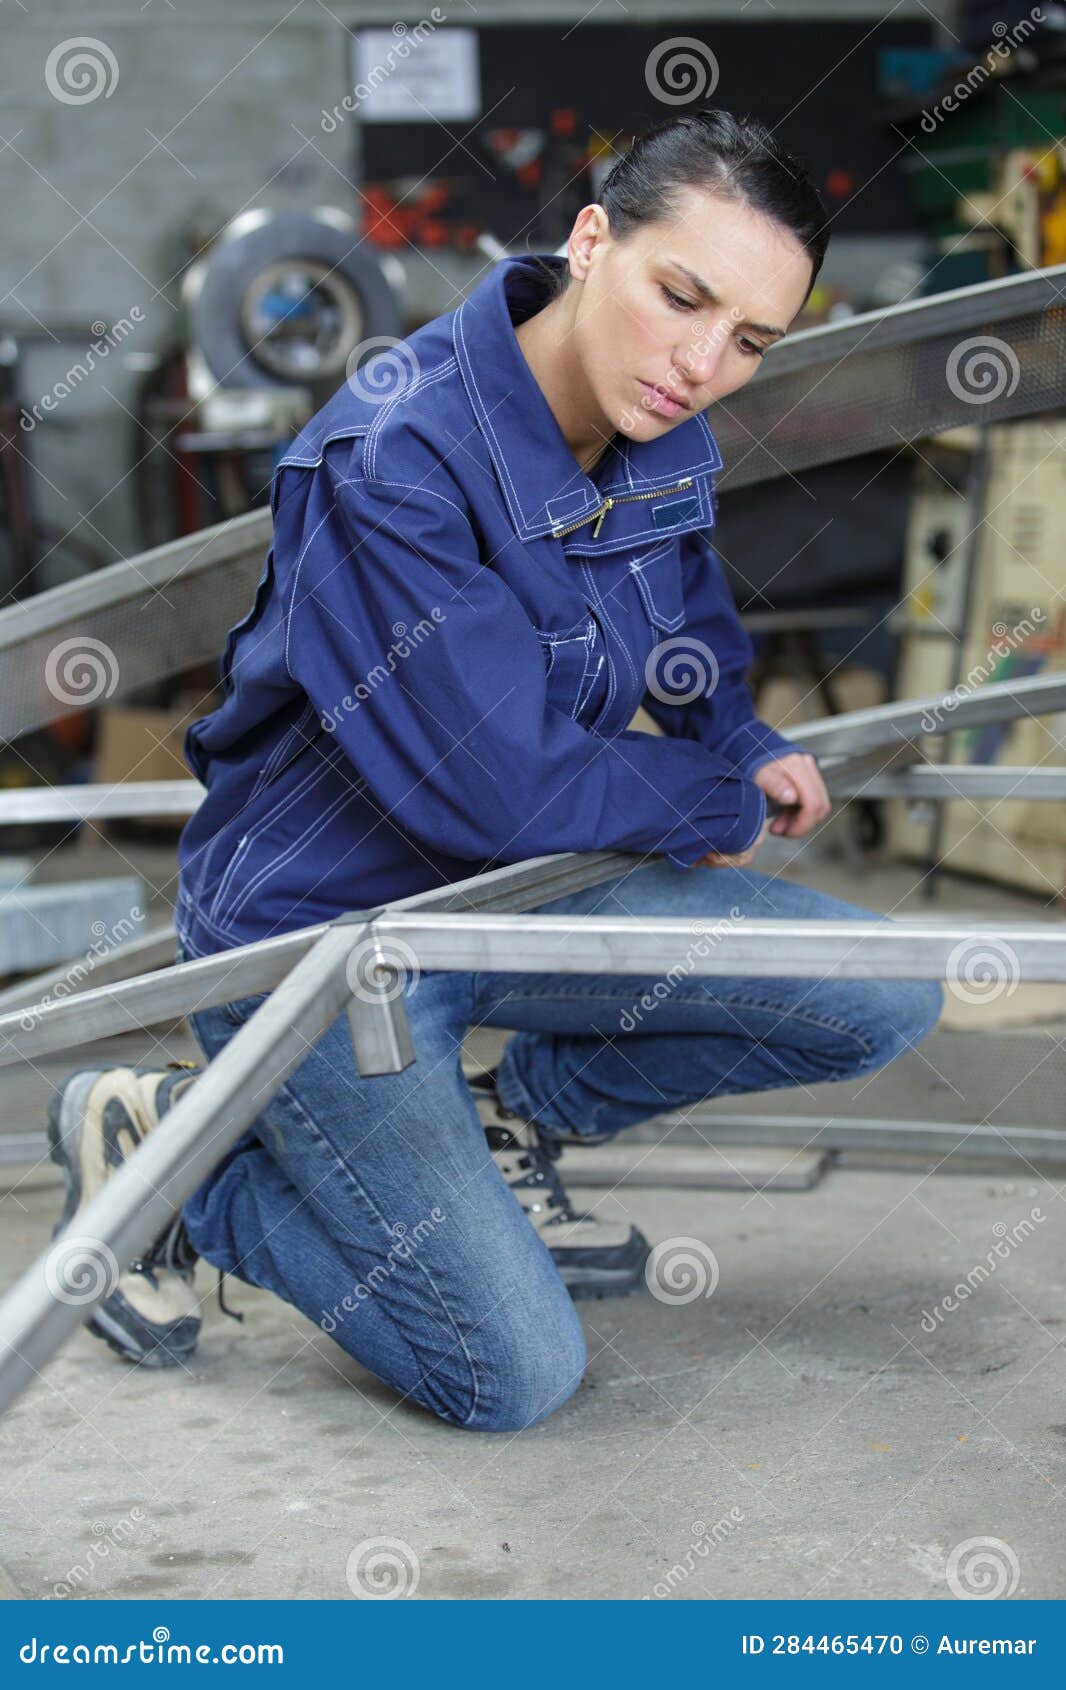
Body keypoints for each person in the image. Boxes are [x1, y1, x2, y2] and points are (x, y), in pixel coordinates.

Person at [49, 110, 941, 1428]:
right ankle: (181, 1161)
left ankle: (504, 1115)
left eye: (750, 340)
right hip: (326, 930)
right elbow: (490, 783)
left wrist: (734, 736)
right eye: (681, 296)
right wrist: (708, 798)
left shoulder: (650, 421)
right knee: (506, 1371)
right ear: (590, 240)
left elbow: (681, 614)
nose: (702, 365)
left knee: (884, 990)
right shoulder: (397, 457)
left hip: (518, 888)